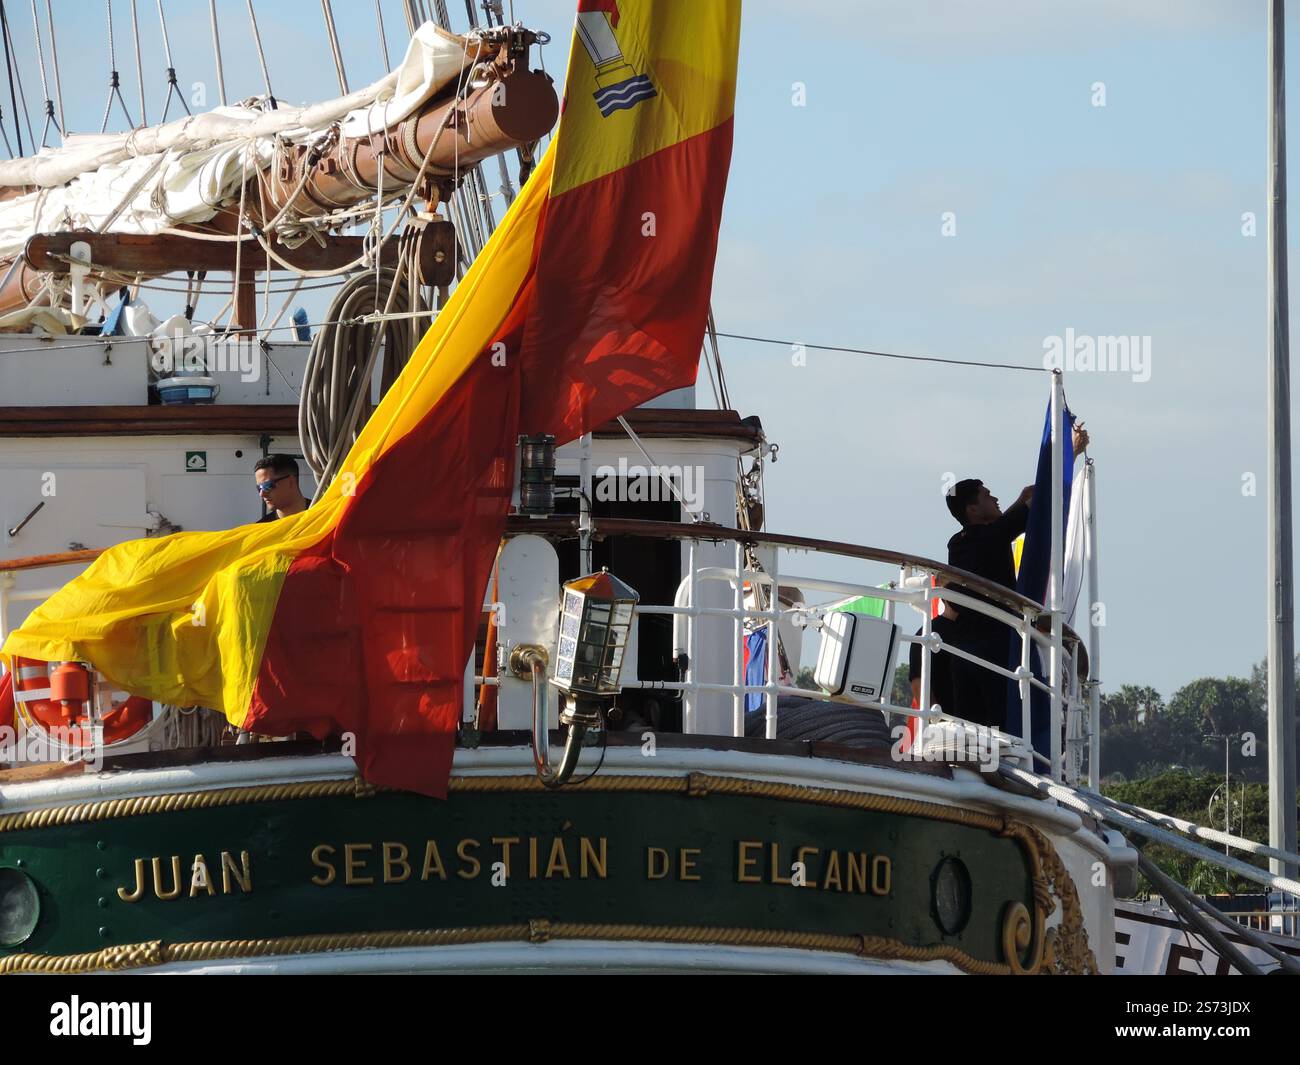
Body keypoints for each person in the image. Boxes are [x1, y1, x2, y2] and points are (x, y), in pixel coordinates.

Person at [254, 454, 311, 522]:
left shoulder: (323, 516)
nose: (262, 494)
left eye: (267, 485)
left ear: (291, 481)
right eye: (259, 488)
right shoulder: (262, 529)